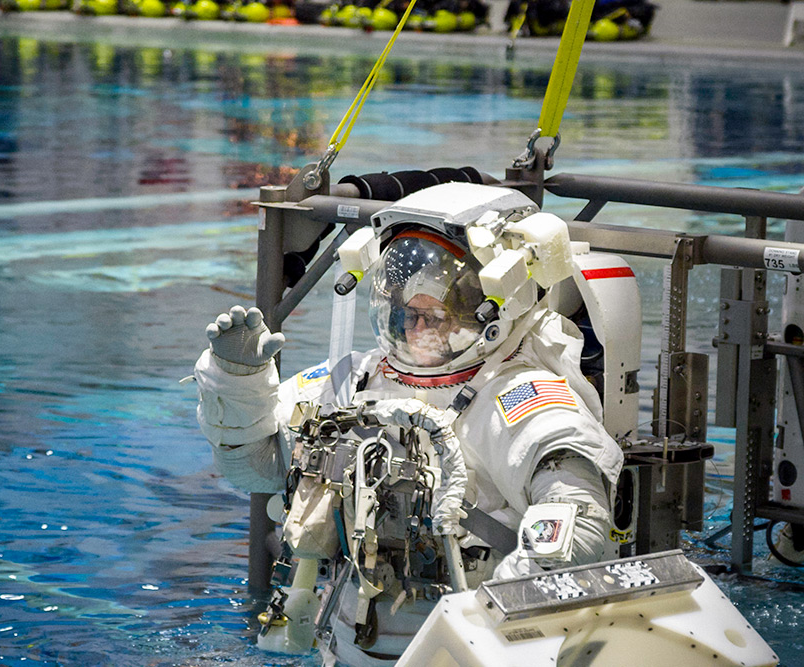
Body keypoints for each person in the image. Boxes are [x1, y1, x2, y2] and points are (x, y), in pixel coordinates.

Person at [193, 183, 623, 666]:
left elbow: (578, 532)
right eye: (406, 313)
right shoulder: (353, 379)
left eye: (437, 316)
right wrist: (237, 381)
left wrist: (486, 624)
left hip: (468, 650)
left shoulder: (519, 398)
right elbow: (256, 470)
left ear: (494, 308)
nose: (416, 330)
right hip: (346, 647)